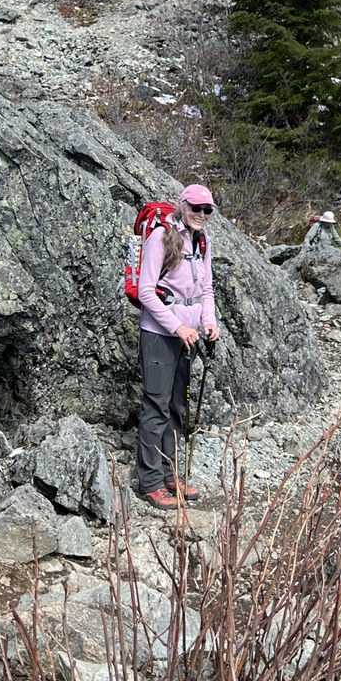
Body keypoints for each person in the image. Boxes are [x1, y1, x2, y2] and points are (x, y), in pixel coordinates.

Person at [136, 184, 220, 509]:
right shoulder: (161, 237)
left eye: (207, 210)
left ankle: (170, 473)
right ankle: (151, 482)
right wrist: (178, 325)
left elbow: (206, 288)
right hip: (160, 334)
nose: (201, 214)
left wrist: (209, 321)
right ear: (183, 206)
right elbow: (146, 292)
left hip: (188, 336)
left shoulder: (203, 241)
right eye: (196, 208)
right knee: (155, 407)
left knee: (176, 408)